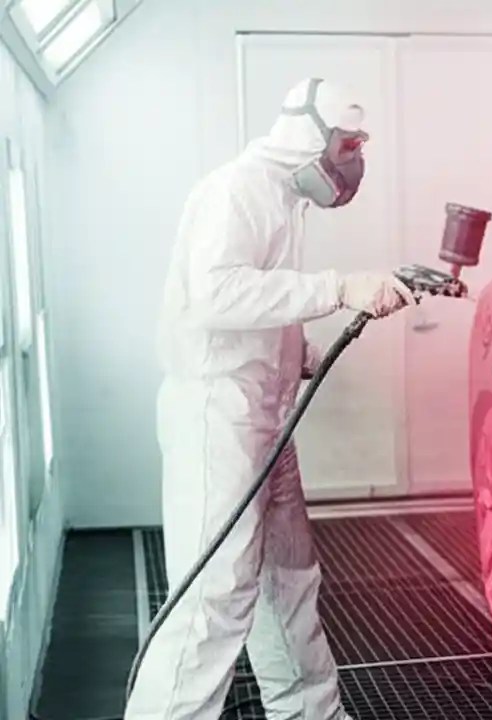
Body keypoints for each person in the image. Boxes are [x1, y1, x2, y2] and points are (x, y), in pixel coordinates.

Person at [125, 77, 413, 719]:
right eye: (345, 145)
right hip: (217, 419)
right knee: (212, 601)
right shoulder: (236, 190)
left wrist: (299, 353)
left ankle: (313, 713)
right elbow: (215, 296)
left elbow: (259, 300)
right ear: (307, 133)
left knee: (289, 582)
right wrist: (339, 287)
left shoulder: (284, 200)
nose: (352, 163)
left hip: (264, 415)